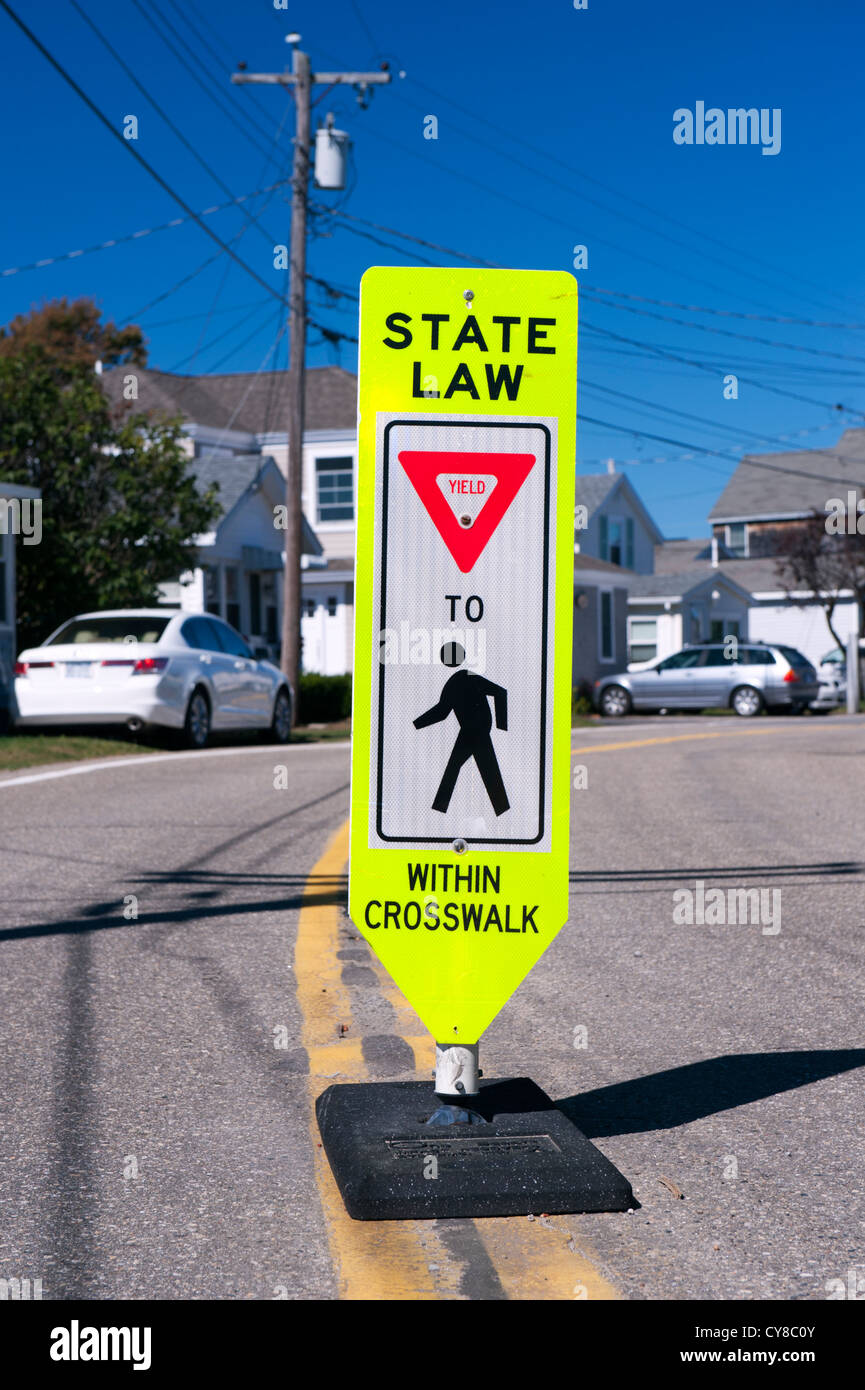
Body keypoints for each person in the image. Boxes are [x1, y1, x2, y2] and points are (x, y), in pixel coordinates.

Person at [414, 643, 509, 816]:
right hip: (474, 731)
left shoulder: (460, 679)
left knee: (461, 768)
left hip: (475, 731)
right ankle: (501, 810)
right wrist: (416, 724)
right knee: (479, 769)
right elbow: (442, 712)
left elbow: (500, 693)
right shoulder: (463, 678)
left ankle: (439, 809)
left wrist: (502, 727)